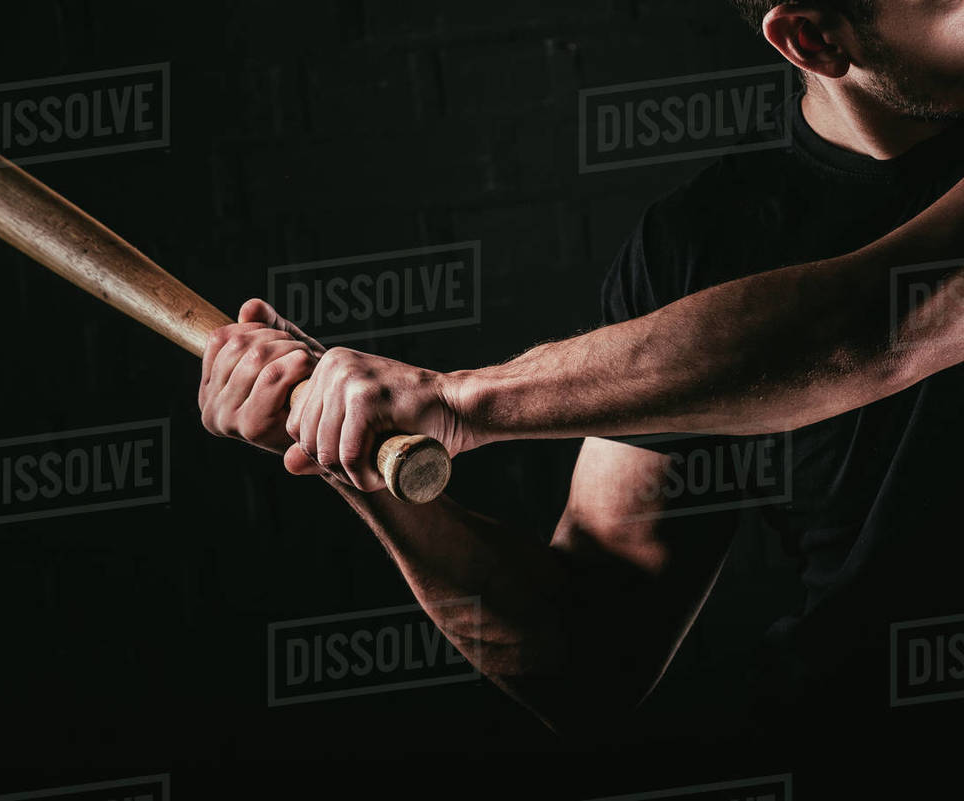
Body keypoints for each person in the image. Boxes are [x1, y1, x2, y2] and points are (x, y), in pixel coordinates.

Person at [198, 0, 964, 733]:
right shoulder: (701, 244)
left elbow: (872, 326)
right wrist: (348, 442)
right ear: (815, 40)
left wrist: (457, 400)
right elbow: (583, 659)